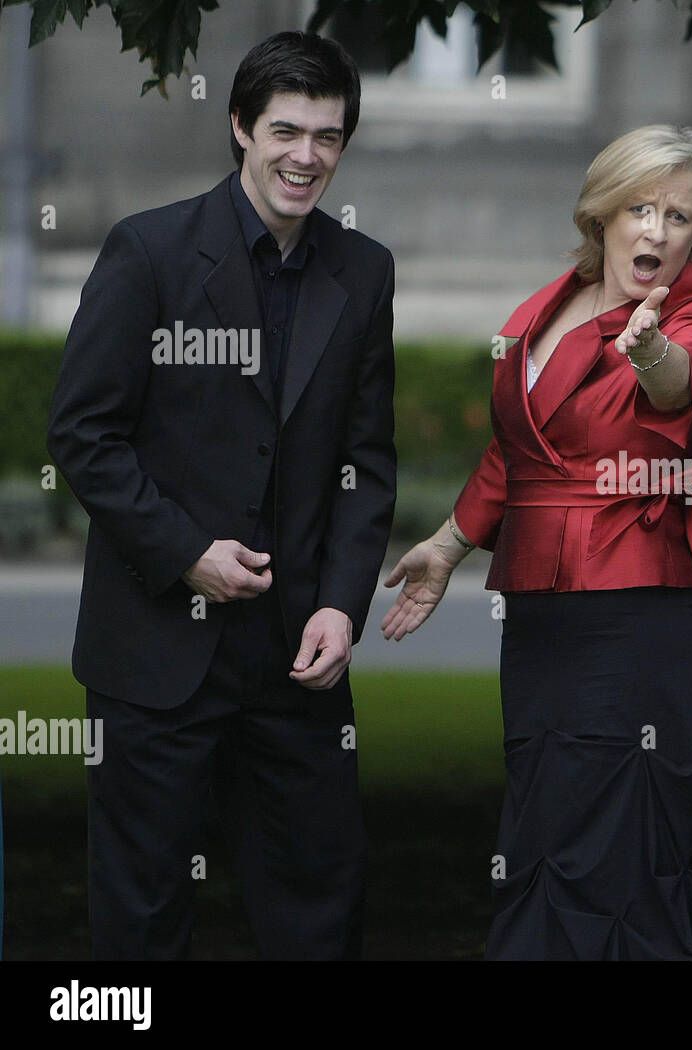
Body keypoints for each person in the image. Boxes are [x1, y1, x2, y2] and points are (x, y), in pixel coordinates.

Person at [46, 32, 397, 959]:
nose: (306, 156)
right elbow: (83, 434)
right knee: (140, 918)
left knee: (320, 906)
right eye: (286, 130)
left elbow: (368, 464)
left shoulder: (365, 273)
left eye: (327, 136)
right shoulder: (149, 252)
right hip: (154, 649)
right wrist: (186, 553)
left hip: (297, 658)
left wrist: (342, 603)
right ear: (240, 127)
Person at [382, 124, 692, 960]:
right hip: (542, 619)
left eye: (680, 217)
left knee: (633, 837)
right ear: (602, 213)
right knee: (546, 831)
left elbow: (686, 395)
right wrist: (446, 546)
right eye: (640, 208)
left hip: (643, 611)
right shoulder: (542, 306)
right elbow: (516, 453)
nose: (656, 231)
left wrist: (650, 349)